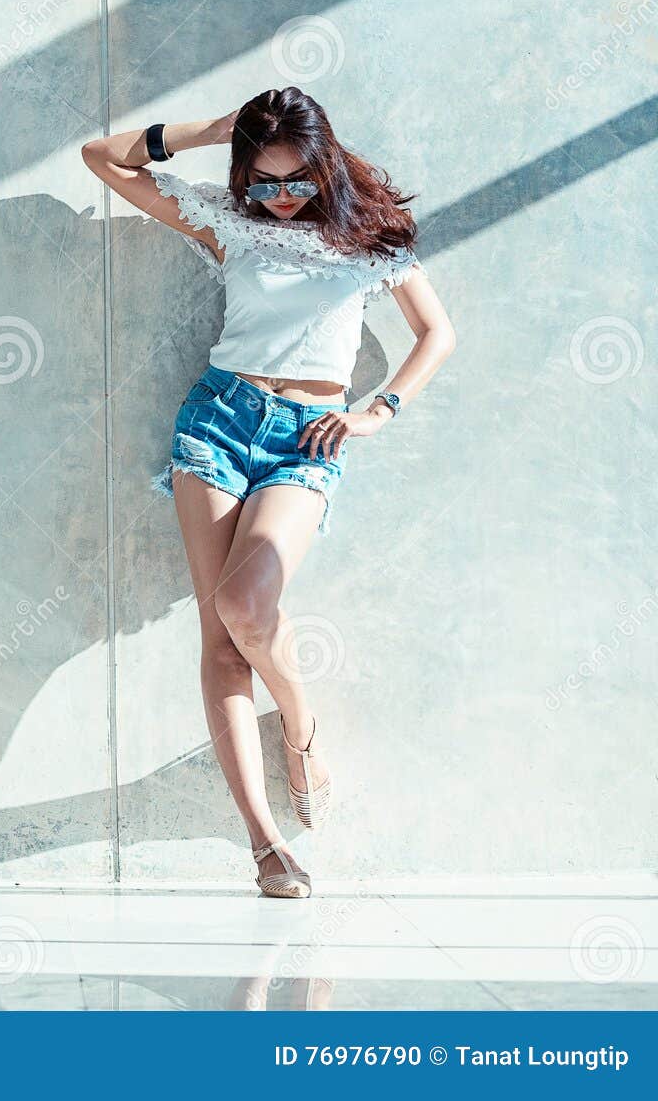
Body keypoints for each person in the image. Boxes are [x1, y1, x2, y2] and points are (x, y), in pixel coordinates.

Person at [80, 87, 457, 898]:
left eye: (297, 181)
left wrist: (379, 408)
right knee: (219, 637)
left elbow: (437, 332)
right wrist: (208, 132)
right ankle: (265, 844)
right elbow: (101, 158)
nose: (281, 198)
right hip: (217, 421)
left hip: (308, 437)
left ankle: (298, 722)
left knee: (246, 606)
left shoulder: (372, 235)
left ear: (325, 167)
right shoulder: (230, 221)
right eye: (264, 181)